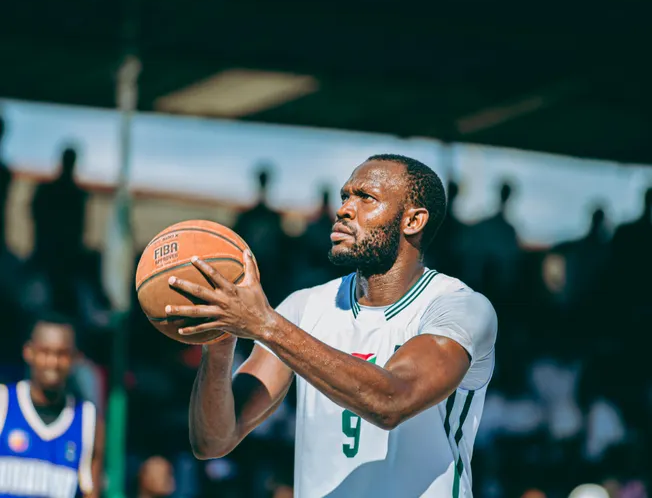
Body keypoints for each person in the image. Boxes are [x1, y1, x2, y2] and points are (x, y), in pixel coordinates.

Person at [166, 155, 498, 497]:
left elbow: (392, 400)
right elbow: (213, 440)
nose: (344, 209)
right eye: (345, 196)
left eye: (365, 198)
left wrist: (264, 324)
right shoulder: (303, 306)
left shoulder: (459, 306)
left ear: (413, 220)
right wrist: (221, 342)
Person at [0, 314, 105, 498]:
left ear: (75, 358)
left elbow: (90, 492)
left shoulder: (88, 420)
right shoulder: (4, 403)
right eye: (45, 352)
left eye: (62, 354)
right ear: (28, 352)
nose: (53, 362)